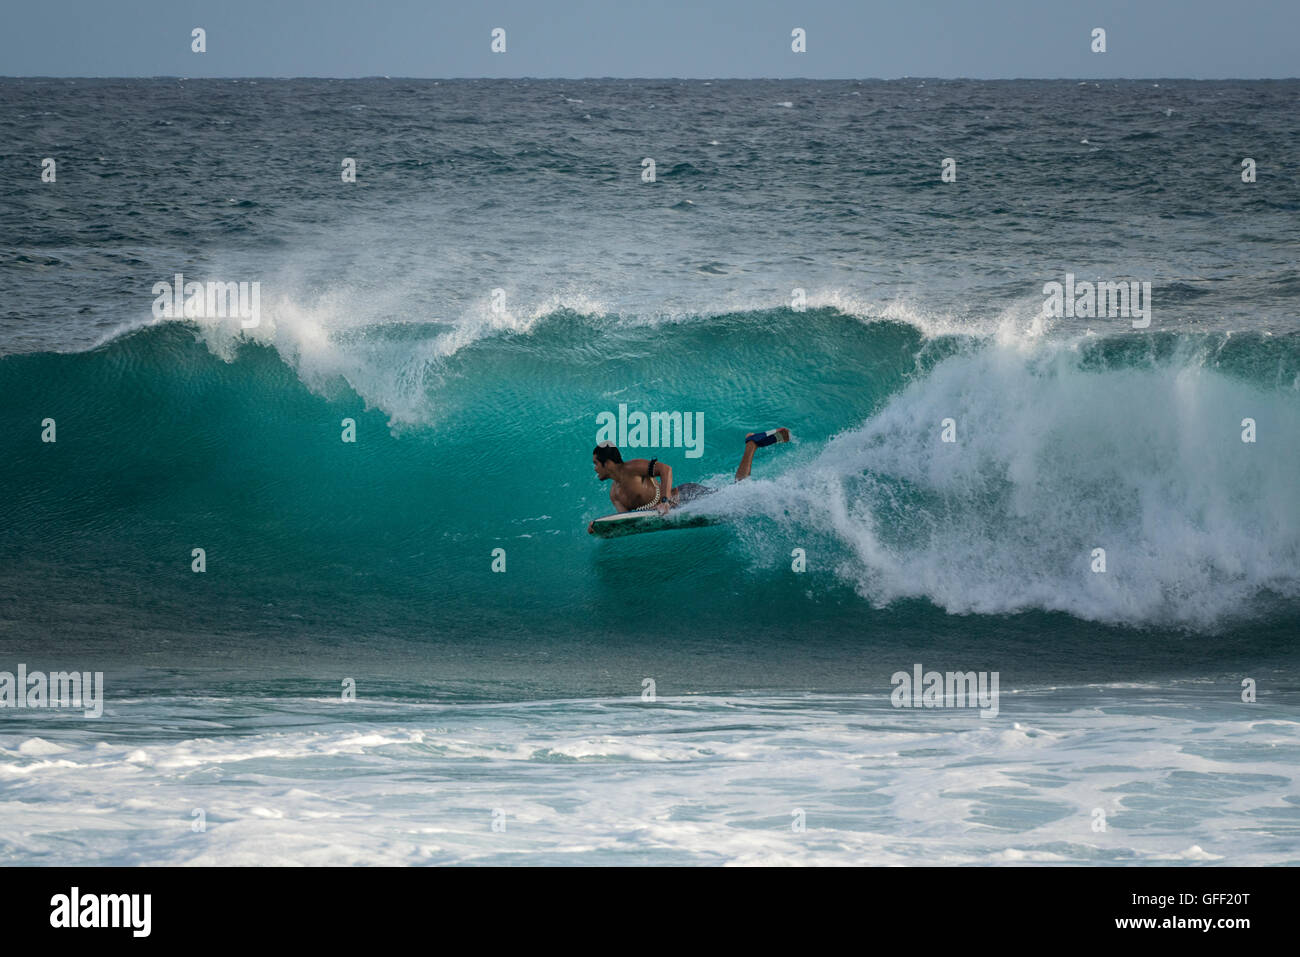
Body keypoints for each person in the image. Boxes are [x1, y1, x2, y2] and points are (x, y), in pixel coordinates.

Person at [587, 428, 791, 533]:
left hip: (686, 496)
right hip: (677, 508)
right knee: (736, 504)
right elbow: (626, 522)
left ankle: (752, 444)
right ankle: (752, 444)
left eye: (596, 463)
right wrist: (602, 527)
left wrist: (665, 502)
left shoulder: (633, 468)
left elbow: (666, 469)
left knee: (739, 497)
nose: (595, 468)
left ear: (608, 463)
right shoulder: (615, 494)